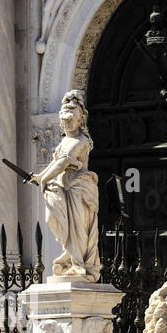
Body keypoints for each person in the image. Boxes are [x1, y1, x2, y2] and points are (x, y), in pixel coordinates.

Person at [34, 89, 100, 281]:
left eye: (71, 118)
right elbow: (56, 163)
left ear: (80, 120)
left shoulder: (81, 141)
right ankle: (70, 256)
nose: (67, 122)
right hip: (64, 188)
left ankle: (79, 263)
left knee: (79, 231)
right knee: (53, 219)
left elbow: (62, 162)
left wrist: (42, 178)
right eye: (64, 119)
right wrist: (41, 176)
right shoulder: (64, 141)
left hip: (80, 192)